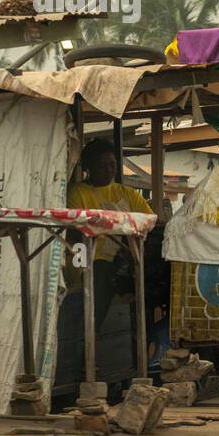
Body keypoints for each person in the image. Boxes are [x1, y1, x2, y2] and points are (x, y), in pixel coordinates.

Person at [67, 139, 156, 329]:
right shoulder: (77, 192)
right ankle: (89, 334)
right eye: (102, 166)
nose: (108, 170)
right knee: (101, 273)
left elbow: (150, 222)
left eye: (112, 165)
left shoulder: (128, 194)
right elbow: (74, 232)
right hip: (88, 260)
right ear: (88, 167)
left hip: (126, 260)